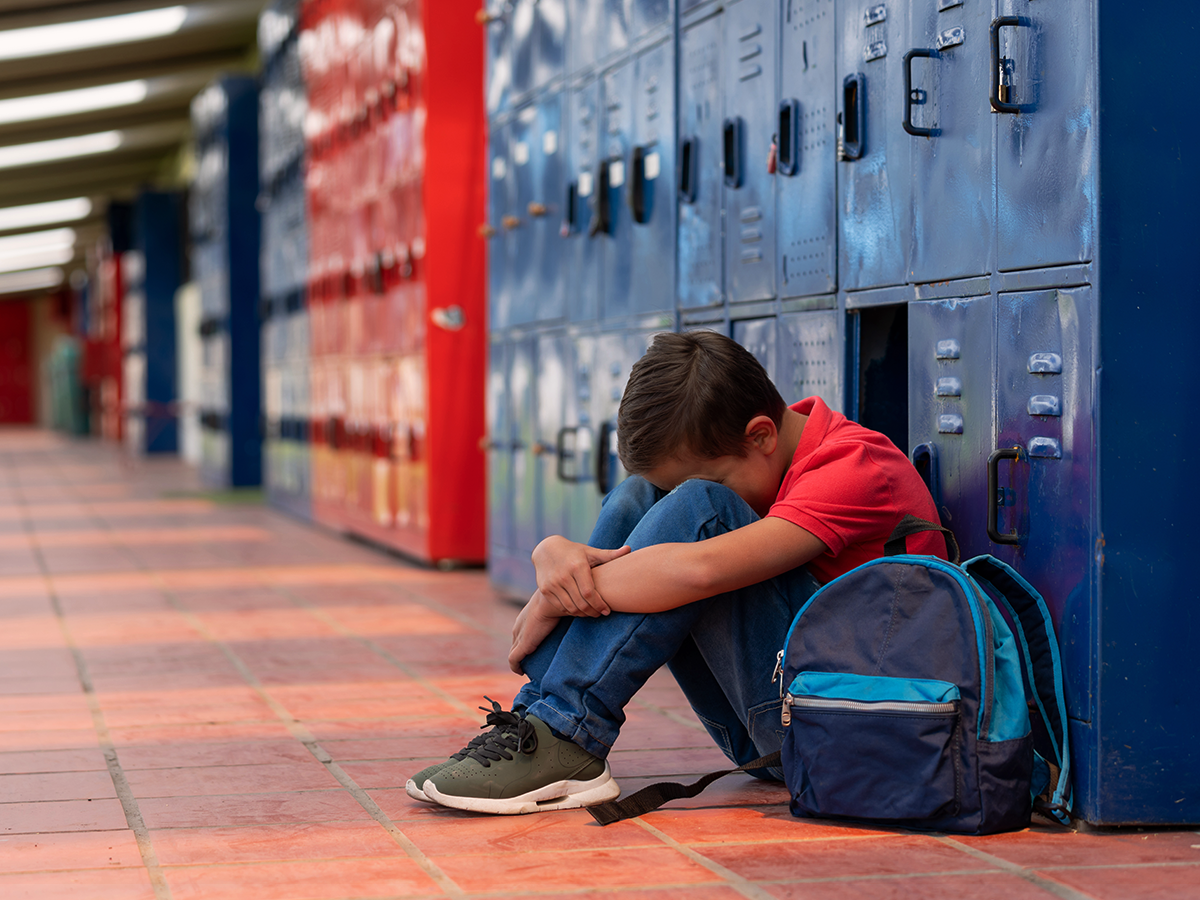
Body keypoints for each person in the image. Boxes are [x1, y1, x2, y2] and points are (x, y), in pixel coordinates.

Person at [406, 330, 947, 814]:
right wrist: (553, 553)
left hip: (848, 734)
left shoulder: (857, 468)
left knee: (701, 508)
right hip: (770, 728)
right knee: (640, 495)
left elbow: (702, 570)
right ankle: (541, 726)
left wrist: (555, 596)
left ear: (760, 436)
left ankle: (566, 733)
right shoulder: (769, 455)